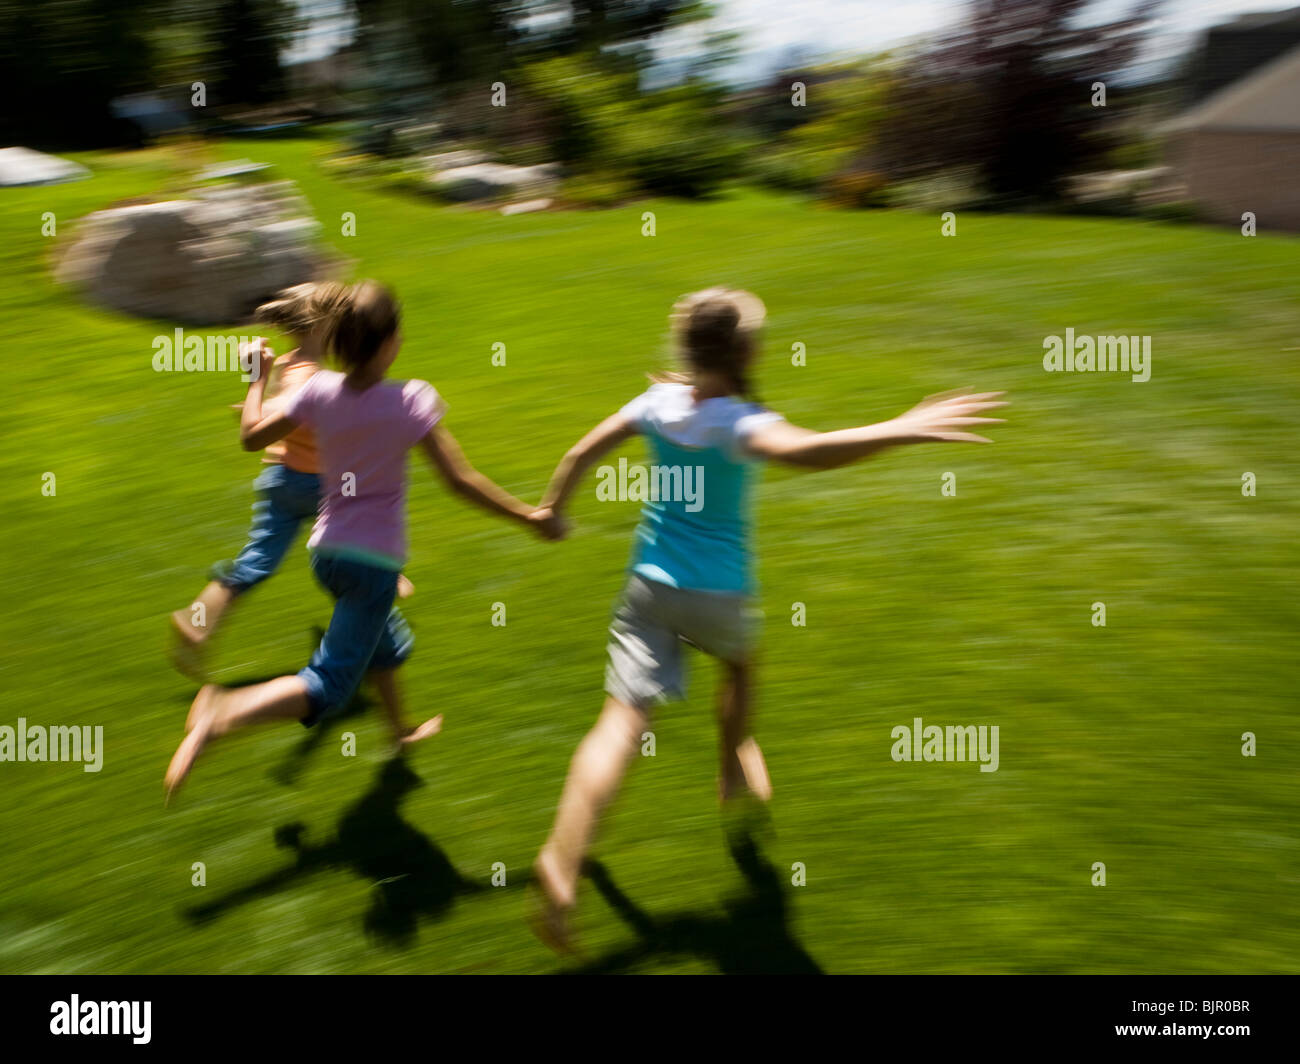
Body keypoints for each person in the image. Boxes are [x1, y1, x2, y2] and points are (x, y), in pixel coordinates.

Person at [530, 287, 1006, 950]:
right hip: (719, 596)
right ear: (747, 350)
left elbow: (581, 454)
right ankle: (731, 760)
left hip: (649, 589)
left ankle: (561, 860)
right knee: (742, 667)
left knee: (621, 724)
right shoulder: (739, 423)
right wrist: (903, 426)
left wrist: (553, 510)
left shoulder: (655, 404)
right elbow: (807, 451)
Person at [165, 281, 563, 801]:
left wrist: (256, 380)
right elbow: (460, 481)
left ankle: (399, 731)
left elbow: (250, 437)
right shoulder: (410, 401)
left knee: (386, 642)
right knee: (328, 686)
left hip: (327, 553)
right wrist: (528, 516)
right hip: (373, 563)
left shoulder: (314, 391)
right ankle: (223, 712)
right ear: (392, 341)